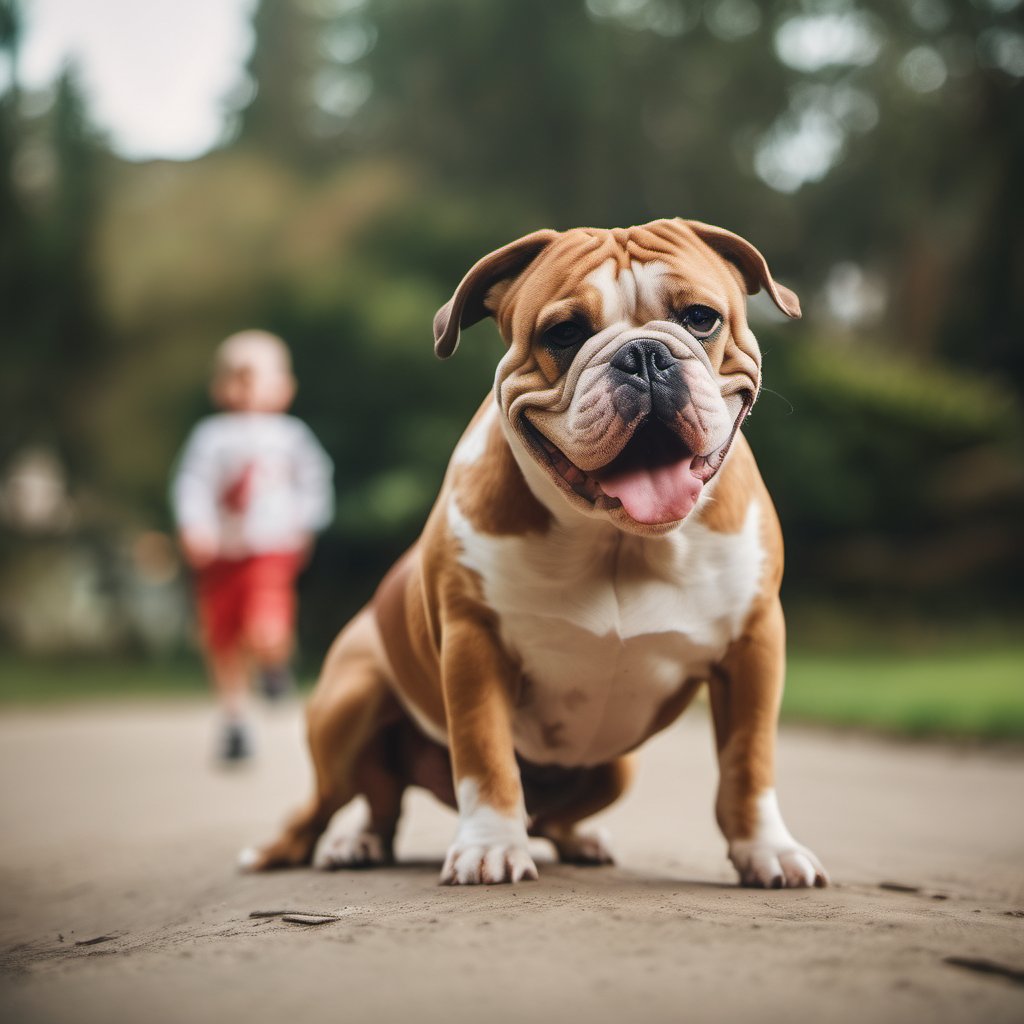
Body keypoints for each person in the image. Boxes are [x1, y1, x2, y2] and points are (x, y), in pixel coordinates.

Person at [171, 330, 334, 763]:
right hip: (221, 552)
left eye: (255, 376)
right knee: (220, 636)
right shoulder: (210, 437)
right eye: (234, 377)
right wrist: (194, 526)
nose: (244, 386)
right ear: (219, 386)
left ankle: (273, 662)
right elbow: (193, 485)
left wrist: (306, 523)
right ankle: (235, 719)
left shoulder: (290, 436)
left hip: (269, 547)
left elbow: (314, 480)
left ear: (285, 387)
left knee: (265, 623)